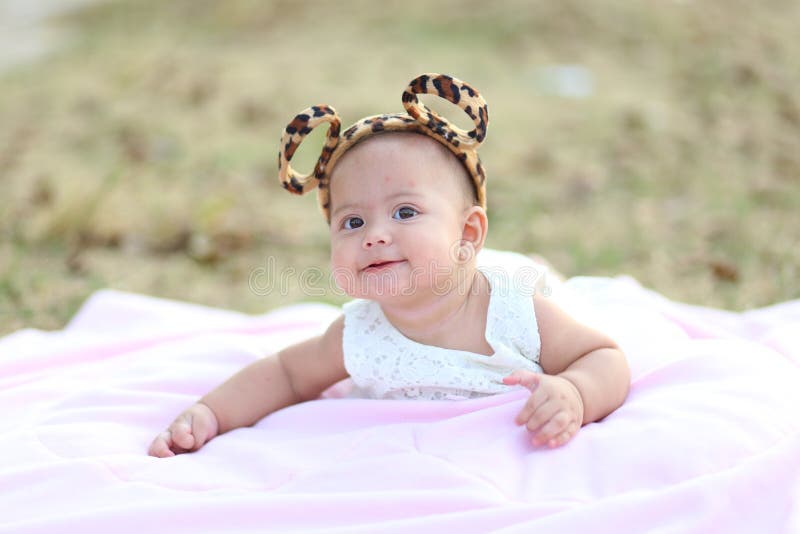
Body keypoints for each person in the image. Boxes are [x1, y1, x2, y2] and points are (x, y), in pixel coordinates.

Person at [148, 74, 630, 458]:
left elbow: (603, 357)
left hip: (517, 278)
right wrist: (210, 414)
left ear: (467, 234)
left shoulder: (515, 311)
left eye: (404, 212)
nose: (375, 235)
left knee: (550, 284)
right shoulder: (359, 332)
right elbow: (287, 375)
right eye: (352, 221)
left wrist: (575, 392)